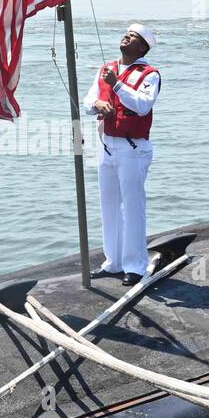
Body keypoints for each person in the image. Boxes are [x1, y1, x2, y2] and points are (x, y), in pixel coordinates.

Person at [83, 24, 160, 286]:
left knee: (133, 206)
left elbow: (142, 105)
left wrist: (116, 86)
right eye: (126, 33)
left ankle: (135, 265)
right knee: (109, 206)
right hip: (107, 146)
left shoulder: (150, 74)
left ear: (141, 48)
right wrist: (97, 104)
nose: (126, 37)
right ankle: (113, 261)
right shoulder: (106, 69)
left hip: (133, 148)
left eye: (133, 37)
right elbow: (87, 101)